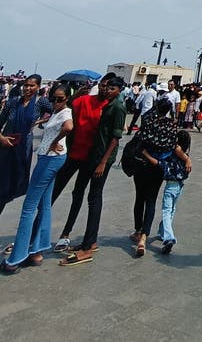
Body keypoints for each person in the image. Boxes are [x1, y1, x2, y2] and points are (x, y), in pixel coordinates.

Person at [1, 85, 72, 273]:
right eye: (53, 98)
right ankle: (37, 250)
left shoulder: (65, 112)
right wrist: (42, 122)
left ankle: (16, 257)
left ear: (67, 99)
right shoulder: (56, 111)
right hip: (50, 157)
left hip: (50, 159)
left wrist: (56, 141)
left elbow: (69, 127)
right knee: (44, 204)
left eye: (60, 98)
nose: (56, 102)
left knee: (28, 207)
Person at [58, 76, 127, 266]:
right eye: (106, 87)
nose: (107, 90)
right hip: (93, 156)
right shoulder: (109, 103)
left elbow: (115, 137)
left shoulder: (118, 107)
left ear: (119, 90)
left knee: (94, 199)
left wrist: (103, 162)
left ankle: (87, 249)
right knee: (88, 196)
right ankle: (90, 241)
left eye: (112, 88)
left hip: (100, 160)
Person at [52, 75, 111, 251]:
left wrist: (103, 161)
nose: (105, 89)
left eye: (108, 86)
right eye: (103, 85)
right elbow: (64, 110)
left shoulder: (109, 108)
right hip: (71, 155)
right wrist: (75, 96)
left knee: (78, 194)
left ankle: (65, 234)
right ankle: (35, 231)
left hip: (89, 159)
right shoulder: (83, 101)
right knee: (53, 191)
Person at [131, 96, 179, 257]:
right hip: (159, 167)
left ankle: (138, 231)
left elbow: (141, 140)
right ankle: (144, 237)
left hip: (143, 164)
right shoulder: (172, 125)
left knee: (139, 198)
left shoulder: (148, 121)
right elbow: (173, 146)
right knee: (151, 200)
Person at [0, 74, 52, 216]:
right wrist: (2, 139)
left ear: (38, 87)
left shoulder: (40, 103)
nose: (28, 88)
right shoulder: (13, 102)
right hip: (4, 147)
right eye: (26, 85)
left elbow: (57, 111)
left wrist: (40, 121)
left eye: (32, 85)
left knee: (10, 186)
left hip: (22, 150)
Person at [157, 129, 192, 254]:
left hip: (170, 185)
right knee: (171, 210)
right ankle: (163, 231)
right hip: (180, 186)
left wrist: (146, 154)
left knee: (166, 211)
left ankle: (169, 237)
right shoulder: (185, 156)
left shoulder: (174, 153)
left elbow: (175, 149)